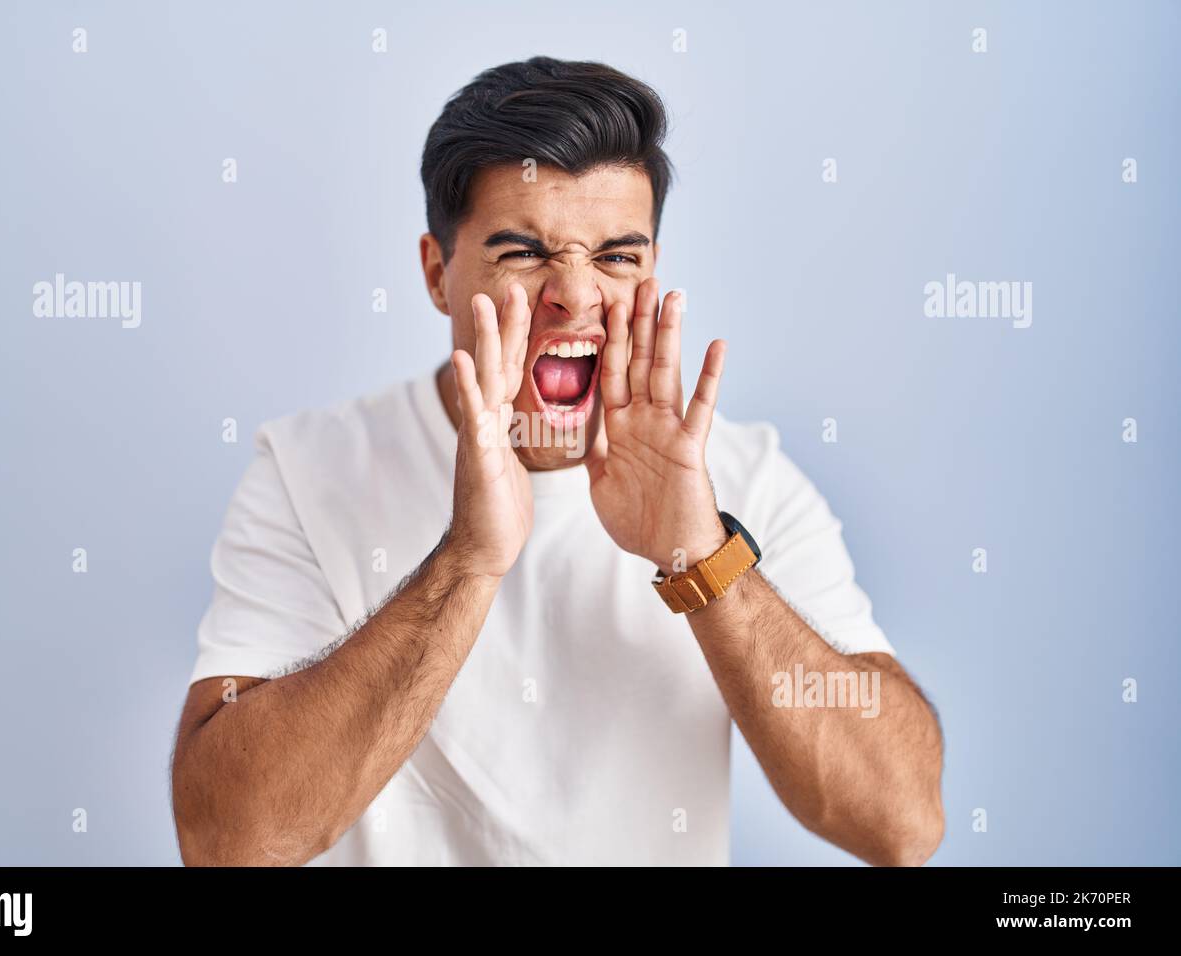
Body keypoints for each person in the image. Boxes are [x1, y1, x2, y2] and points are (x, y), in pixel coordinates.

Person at [170, 56, 945, 866]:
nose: (576, 297)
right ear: (438, 273)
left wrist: (705, 558)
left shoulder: (745, 478)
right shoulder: (307, 470)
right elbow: (229, 843)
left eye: (616, 256)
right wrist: (470, 559)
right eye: (522, 252)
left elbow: (901, 823)